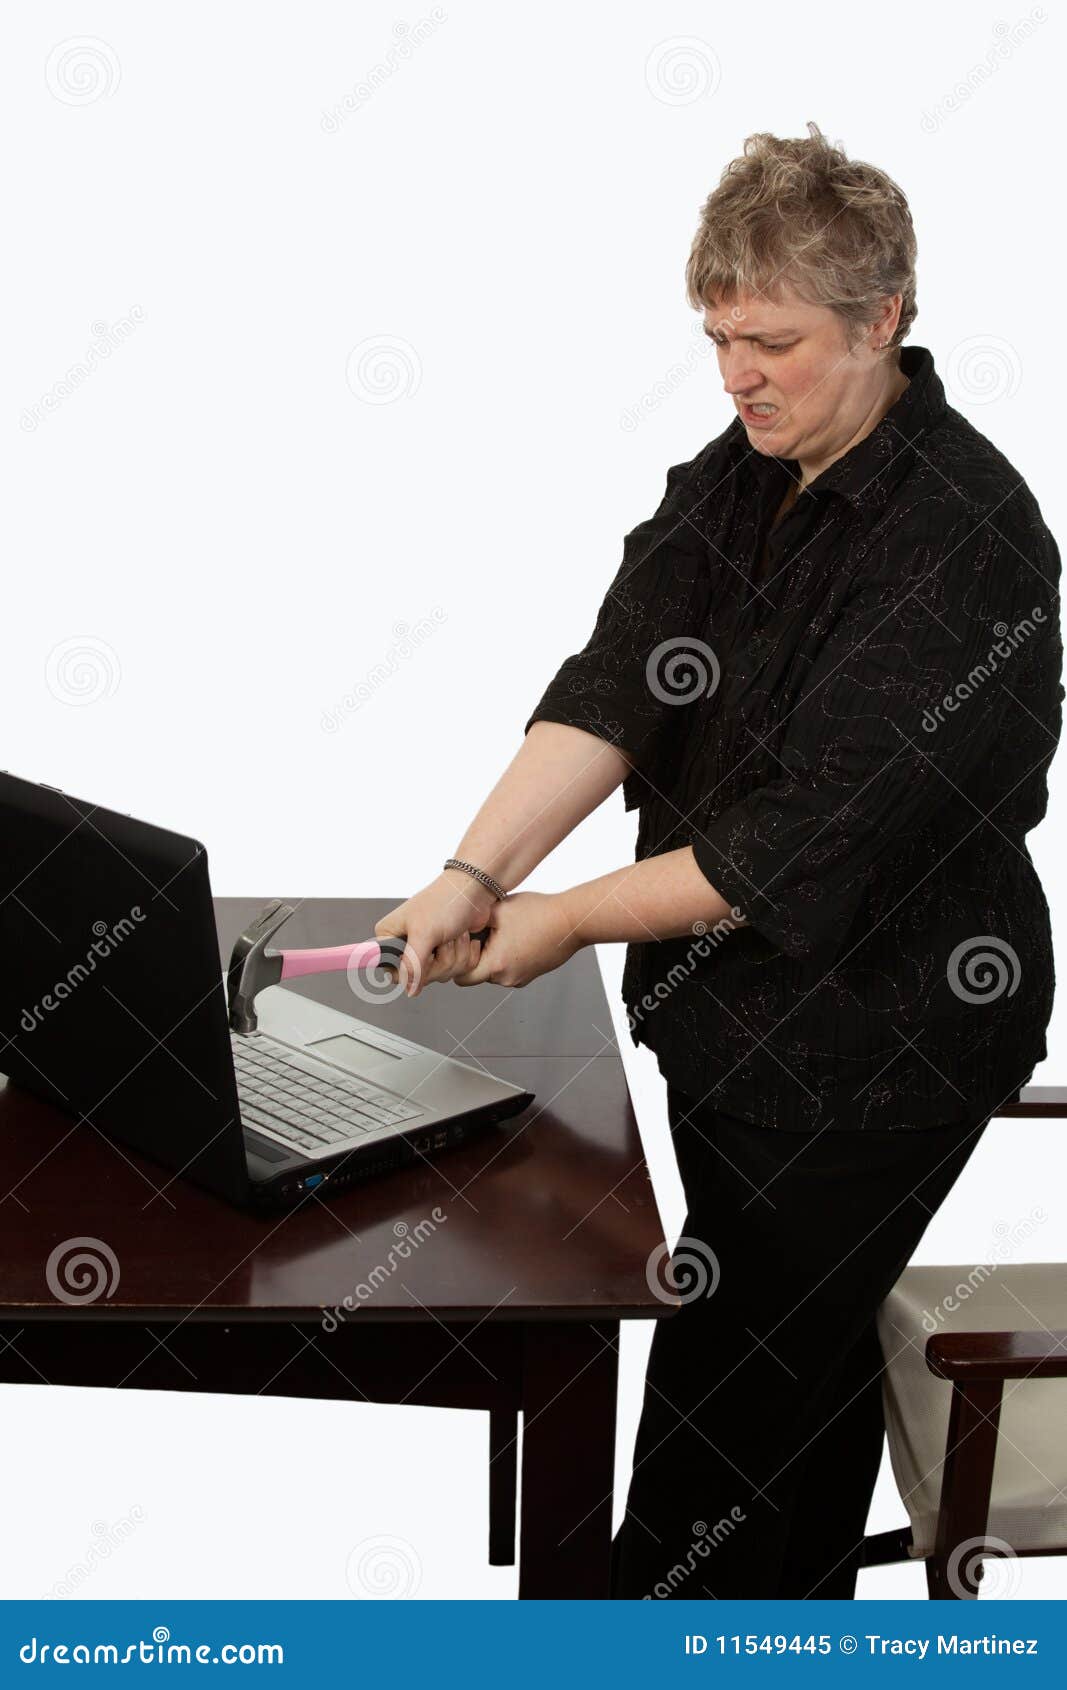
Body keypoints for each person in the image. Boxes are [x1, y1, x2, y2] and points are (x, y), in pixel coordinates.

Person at [375, 123, 1063, 1597]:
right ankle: (786, 1616)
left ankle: (672, 1623)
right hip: (732, 1019)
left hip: (884, 1039)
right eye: (718, 341)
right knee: (787, 1365)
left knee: (728, 1407)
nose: (738, 376)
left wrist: (566, 919)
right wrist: (472, 874)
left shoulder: (968, 541)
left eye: (774, 343)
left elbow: (795, 844)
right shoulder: (743, 474)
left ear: (883, 319)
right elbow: (617, 685)